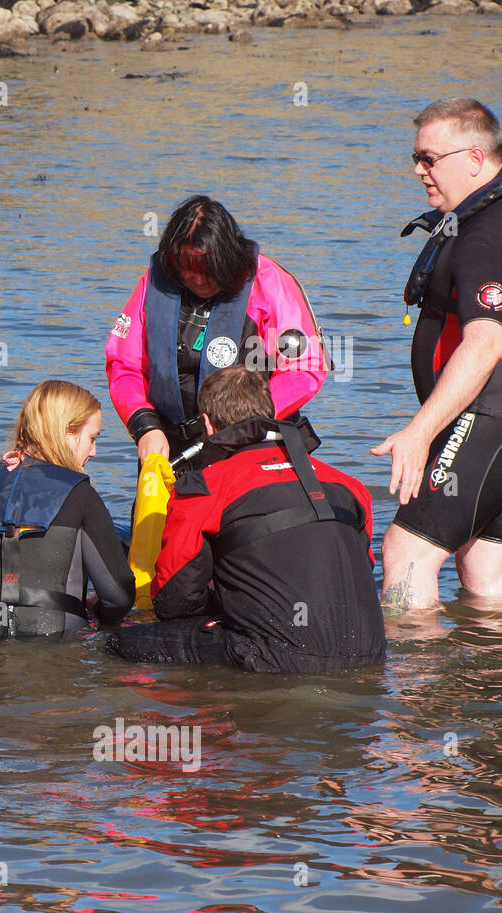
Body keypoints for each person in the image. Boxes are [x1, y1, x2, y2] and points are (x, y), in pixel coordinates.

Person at [107, 367, 385, 673]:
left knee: (122, 643)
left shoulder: (205, 488)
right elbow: (361, 567)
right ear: (270, 411)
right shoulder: (351, 486)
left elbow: (176, 599)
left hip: (278, 657)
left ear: (207, 424)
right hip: (370, 651)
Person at [372, 98, 502, 611]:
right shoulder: (481, 217)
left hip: (488, 417)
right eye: (416, 157)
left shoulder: (484, 233)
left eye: (430, 158)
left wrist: (420, 431)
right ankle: (478, 685)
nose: (418, 170)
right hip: (487, 425)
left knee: (407, 551)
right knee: (485, 569)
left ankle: (413, 687)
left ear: (474, 159)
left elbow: (487, 340)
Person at [106, 195, 328, 464]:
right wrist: (145, 427)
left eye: (208, 270)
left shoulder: (269, 283)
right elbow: (124, 366)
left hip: (252, 446)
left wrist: (242, 426)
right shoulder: (154, 284)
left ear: (229, 258)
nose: (199, 280)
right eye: (188, 269)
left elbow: (304, 368)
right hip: (167, 447)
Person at [0, 381, 134, 642]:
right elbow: (119, 596)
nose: (94, 451)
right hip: (55, 647)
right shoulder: (81, 494)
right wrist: (97, 610)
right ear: (66, 432)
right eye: (92, 438)